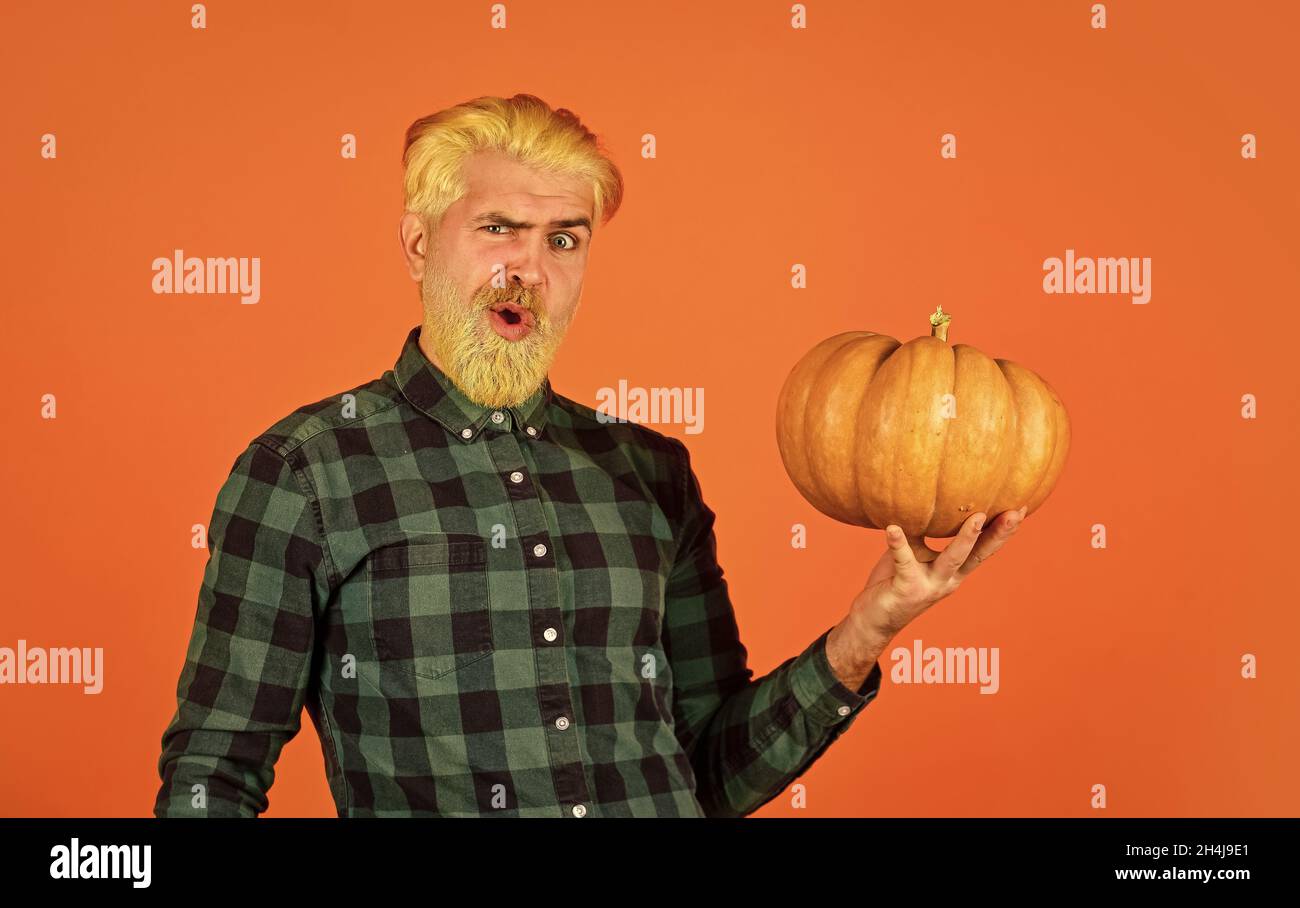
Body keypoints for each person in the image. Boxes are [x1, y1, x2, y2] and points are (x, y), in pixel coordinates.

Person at [153, 93, 1025, 818]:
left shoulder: (650, 472)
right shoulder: (306, 470)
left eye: (563, 239)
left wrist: (867, 628)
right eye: (499, 229)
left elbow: (711, 773)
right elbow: (214, 774)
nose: (529, 267)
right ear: (420, 244)